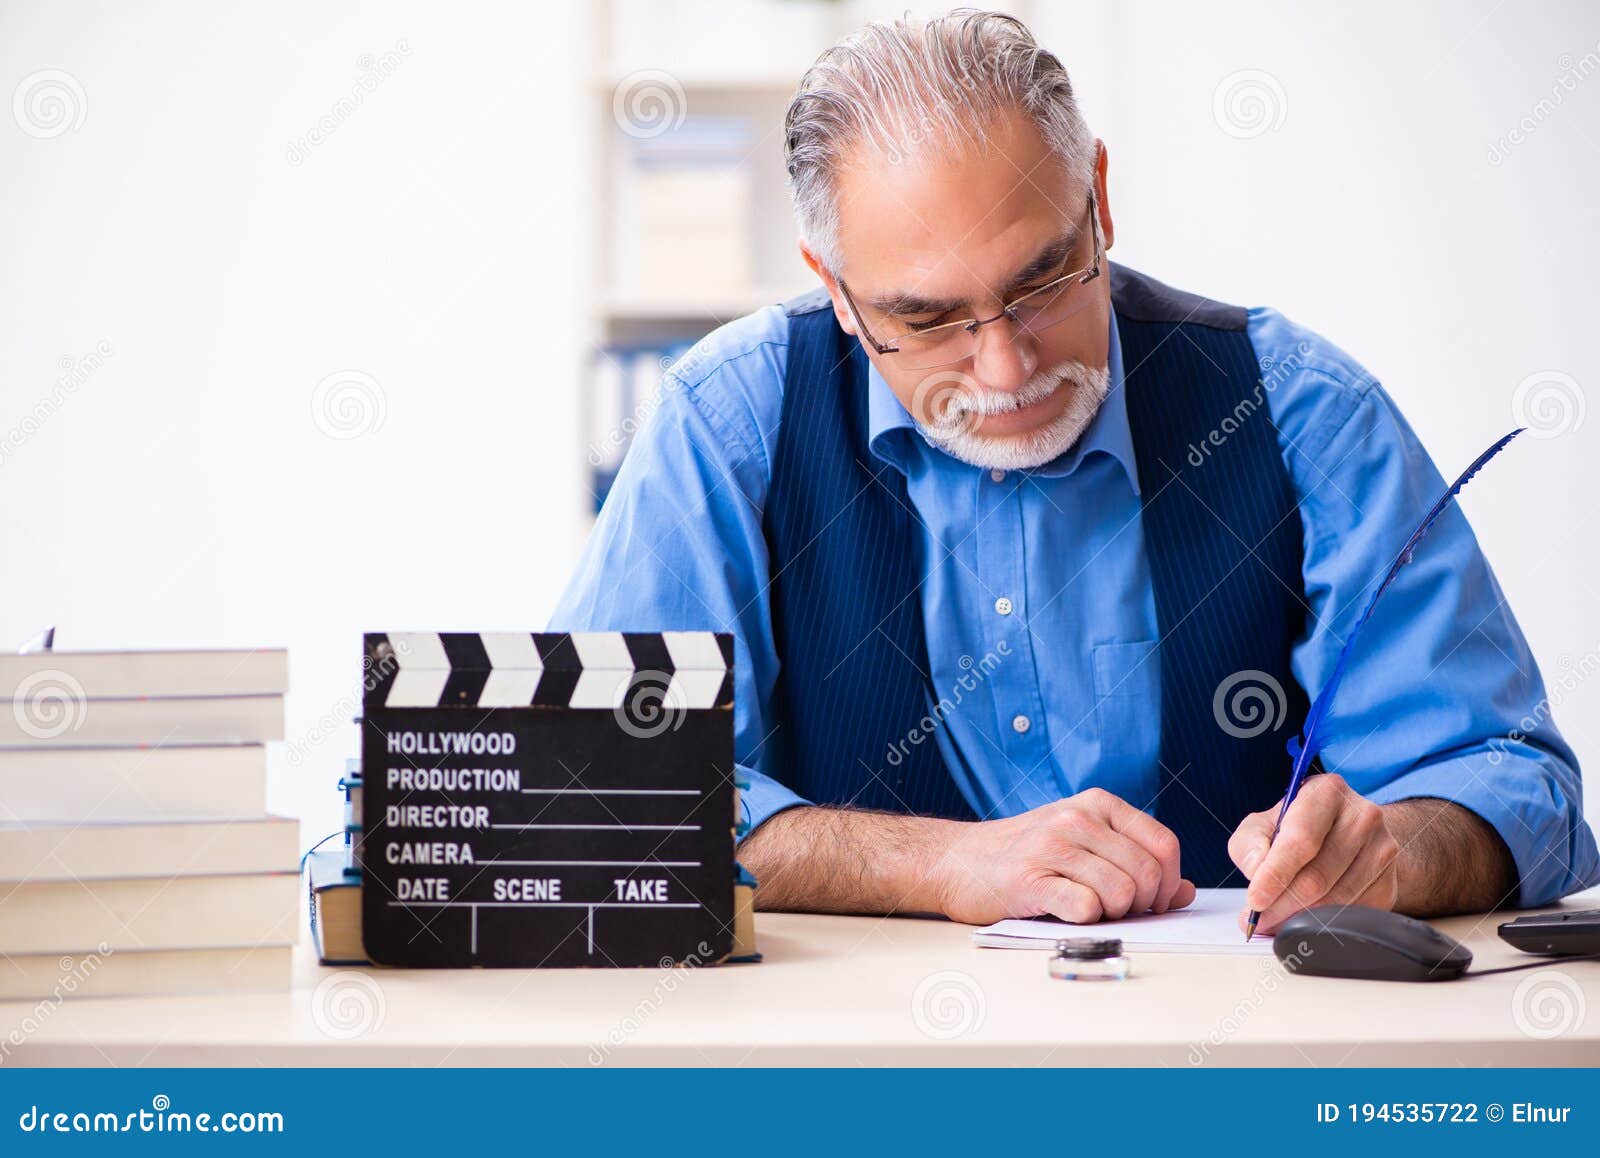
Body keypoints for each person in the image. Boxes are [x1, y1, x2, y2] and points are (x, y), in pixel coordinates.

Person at [552, 9, 1598, 934]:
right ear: (833, 286)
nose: (1006, 371)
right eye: (927, 320)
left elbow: (1516, 785)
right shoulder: (731, 420)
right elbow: (592, 786)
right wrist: (939, 864)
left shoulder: (1300, 408)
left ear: (1097, 195)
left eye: (1042, 280)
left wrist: (1400, 852)